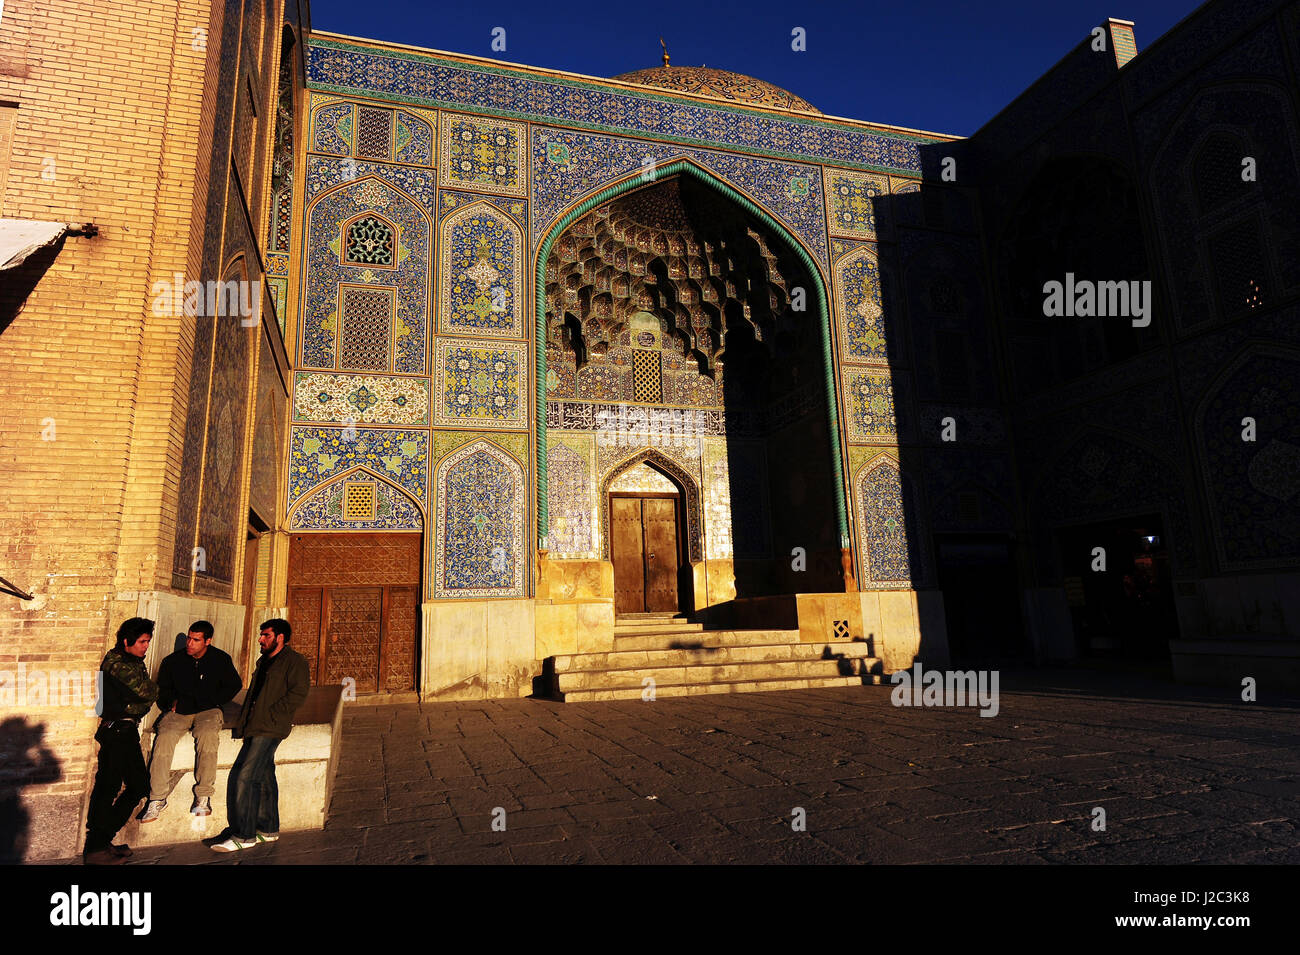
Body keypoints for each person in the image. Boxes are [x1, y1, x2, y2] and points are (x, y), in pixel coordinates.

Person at [210, 618, 309, 852]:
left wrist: (274, 713)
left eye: (266, 635)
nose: (260, 639)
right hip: (256, 724)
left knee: (247, 777)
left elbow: (299, 693)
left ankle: (244, 835)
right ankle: (269, 828)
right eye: (261, 635)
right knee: (264, 774)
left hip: (271, 727)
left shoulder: (295, 661)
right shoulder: (264, 661)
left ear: (280, 637)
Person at [138, 620, 241, 823]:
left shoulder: (220, 659)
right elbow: (162, 690)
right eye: (189, 638)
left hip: (208, 709)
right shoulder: (173, 661)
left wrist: (212, 701)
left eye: (196, 640)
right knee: (164, 738)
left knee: (208, 737)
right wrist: (171, 703)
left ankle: (203, 796)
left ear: (207, 641)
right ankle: (157, 798)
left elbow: (233, 685)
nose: (190, 643)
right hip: (180, 711)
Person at [83, 617, 159, 865]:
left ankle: (101, 843)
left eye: (147, 641)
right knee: (124, 787)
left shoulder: (133, 661)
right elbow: (147, 692)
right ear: (126, 641)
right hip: (117, 731)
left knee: (116, 786)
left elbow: (142, 699)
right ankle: (96, 847)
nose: (145, 646)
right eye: (141, 642)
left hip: (124, 730)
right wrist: (144, 697)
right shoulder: (116, 664)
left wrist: (137, 702)